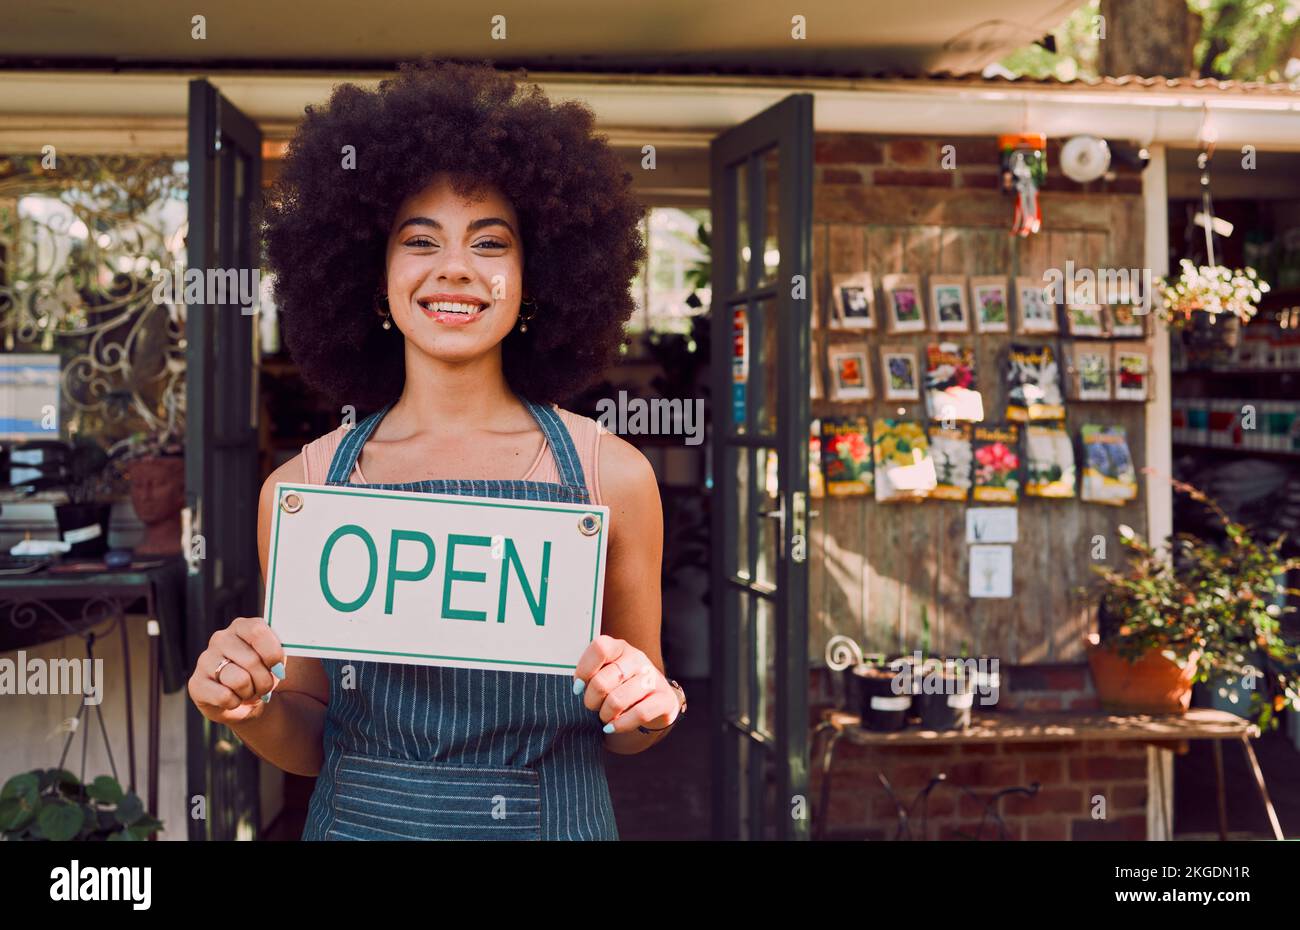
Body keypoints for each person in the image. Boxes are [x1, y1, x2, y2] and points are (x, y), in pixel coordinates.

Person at [186, 58, 684, 840]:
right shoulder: (306, 485)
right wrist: (247, 708)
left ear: (533, 278)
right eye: (421, 239)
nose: (455, 266)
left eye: (491, 242)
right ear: (373, 276)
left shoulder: (611, 476)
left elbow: (631, 728)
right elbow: (308, 731)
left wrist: (650, 706)